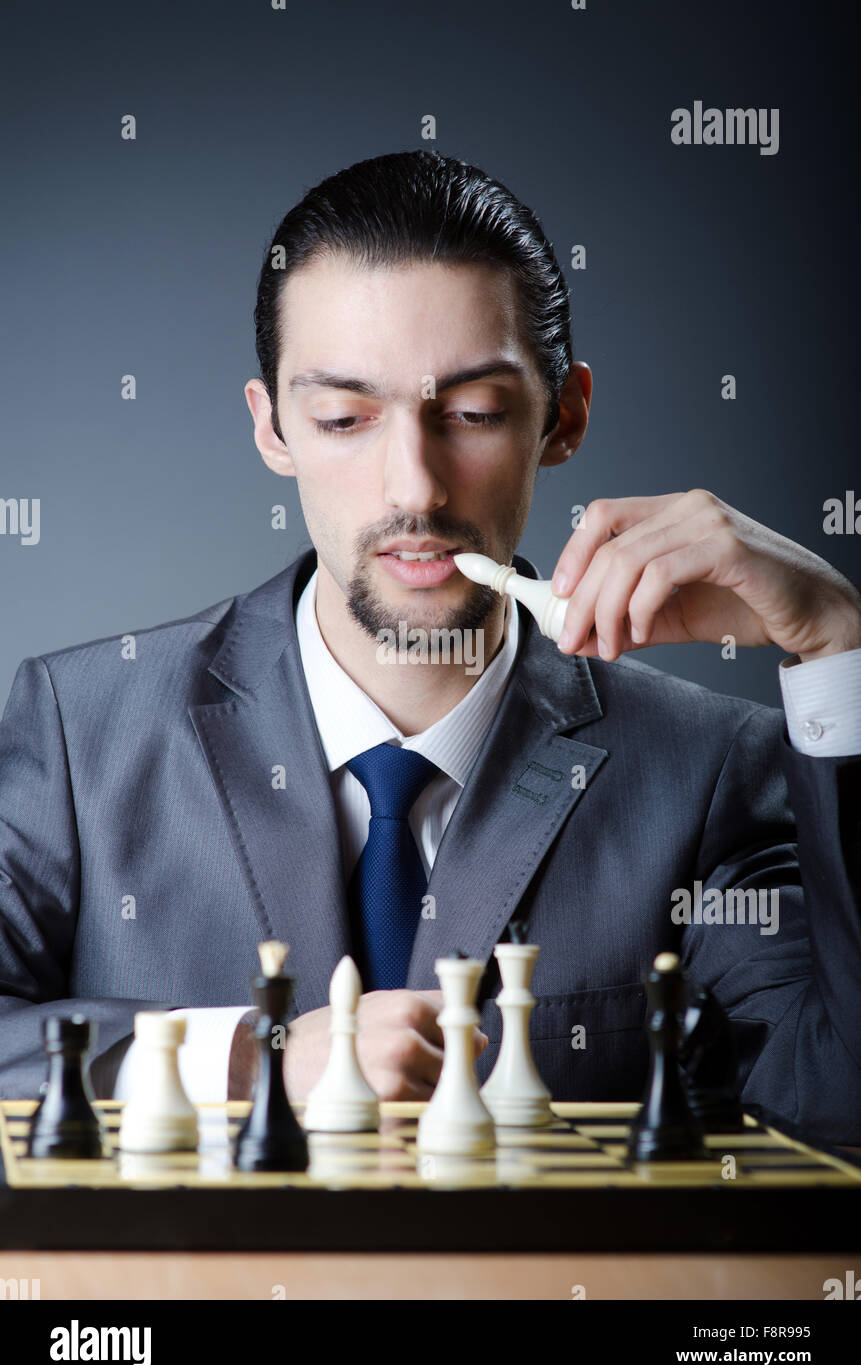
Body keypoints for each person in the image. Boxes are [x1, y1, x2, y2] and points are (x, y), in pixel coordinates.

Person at [1, 151, 859, 1141]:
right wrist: (248, 1056)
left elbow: (842, 1099)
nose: (412, 486)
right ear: (274, 427)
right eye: (343, 417)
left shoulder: (706, 770)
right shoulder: (82, 730)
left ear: (563, 416)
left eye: (473, 414)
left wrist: (836, 648)